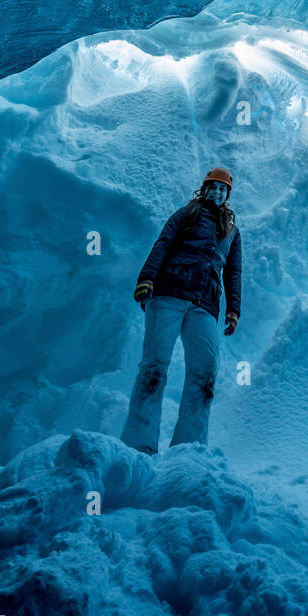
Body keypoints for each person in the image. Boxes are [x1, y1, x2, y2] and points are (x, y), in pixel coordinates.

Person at [120, 167, 242, 455]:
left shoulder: (232, 231)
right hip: (169, 293)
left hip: (205, 304)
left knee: (205, 372)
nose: (217, 192)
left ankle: (189, 449)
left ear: (227, 195)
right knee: (154, 367)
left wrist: (233, 308)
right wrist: (146, 279)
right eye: (213, 187)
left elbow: (233, 272)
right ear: (204, 189)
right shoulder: (185, 214)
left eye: (222, 189)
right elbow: (163, 244)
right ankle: (138, 446)